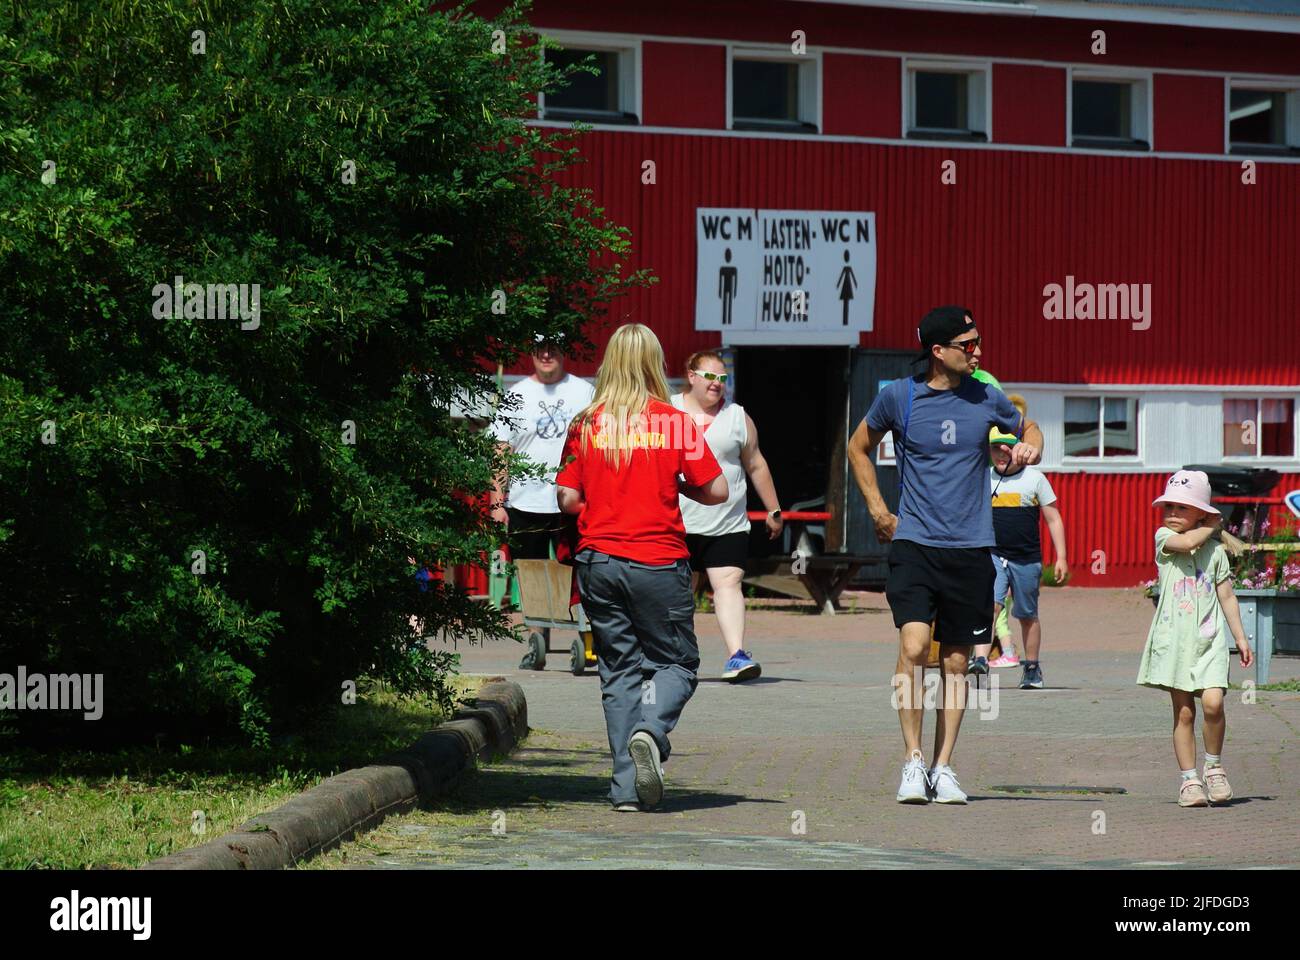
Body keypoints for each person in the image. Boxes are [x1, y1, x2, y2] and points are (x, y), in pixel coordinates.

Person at [847, 305, 1043, 804]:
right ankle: (912, 761)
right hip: (915, 544)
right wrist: (876, 508)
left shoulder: (986, 396)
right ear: (938, 351)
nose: (977, 351)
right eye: (967, 344)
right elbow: (857, 447)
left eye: (978, 341)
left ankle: (943, 767)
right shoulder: (900, 397)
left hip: (973, 548)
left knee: (956, 664)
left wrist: (1030, 448)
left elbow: (1030, 427)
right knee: (914, 649)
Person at [556, 324, 727, 812]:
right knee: (677, 663)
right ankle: (651, 731)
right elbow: (717, 490)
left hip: (598, 562)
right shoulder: (674, 422)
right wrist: (673, 485)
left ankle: (627, 791)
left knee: (618, 671)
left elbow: (568, 499)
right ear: (655, 363)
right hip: (658, 560)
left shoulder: (586, 422)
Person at [1138, 470, 1253, 807]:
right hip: (1175, 641)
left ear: (1200, 511)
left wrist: (1241, 638)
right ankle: (1189, 781)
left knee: (1214, 704)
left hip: (1211, 641)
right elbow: (1188, 542)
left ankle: (1214, 767)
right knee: (1184, 712)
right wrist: (1214, 524)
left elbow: (1227, 597)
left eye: (1181, 507)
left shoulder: (1216, 552)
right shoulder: (1164, 538)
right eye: (1168, 506)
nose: (1171, 513)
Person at [671, 350, 783, 682]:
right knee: (679, 592)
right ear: (691, 376)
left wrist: (773, 510)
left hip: (727, 522)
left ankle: (736, 655)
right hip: (677, 524)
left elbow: (756, 464)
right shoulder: (667, 411)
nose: (717, 385)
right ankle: (674, 659)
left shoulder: (737, 417)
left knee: (729, 584)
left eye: (723, 379)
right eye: (710, 377)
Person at [969, 431, 1068, 688]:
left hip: (1026, 558)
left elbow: (1053, 518)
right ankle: (980, 659)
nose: (1001, 454)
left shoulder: (1035, 479)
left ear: (1021, 450)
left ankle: (1032, 668)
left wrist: (1062, 557)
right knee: (988, 606)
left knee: (1026, 614)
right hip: (992, 554)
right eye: (995, 449)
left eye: (1007, 449)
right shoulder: (983, 479)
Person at [489, 335, 594, 559]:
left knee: (573, 578)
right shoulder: (516, 394)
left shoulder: (585, 393)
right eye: (540, 349)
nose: (546, 355)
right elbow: (500, 452)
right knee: (529, 579)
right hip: (524, 505)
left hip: (571, 504)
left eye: (552, 349)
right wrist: (497, 506)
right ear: (532, 353)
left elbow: (598, 449)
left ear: (562, 351)